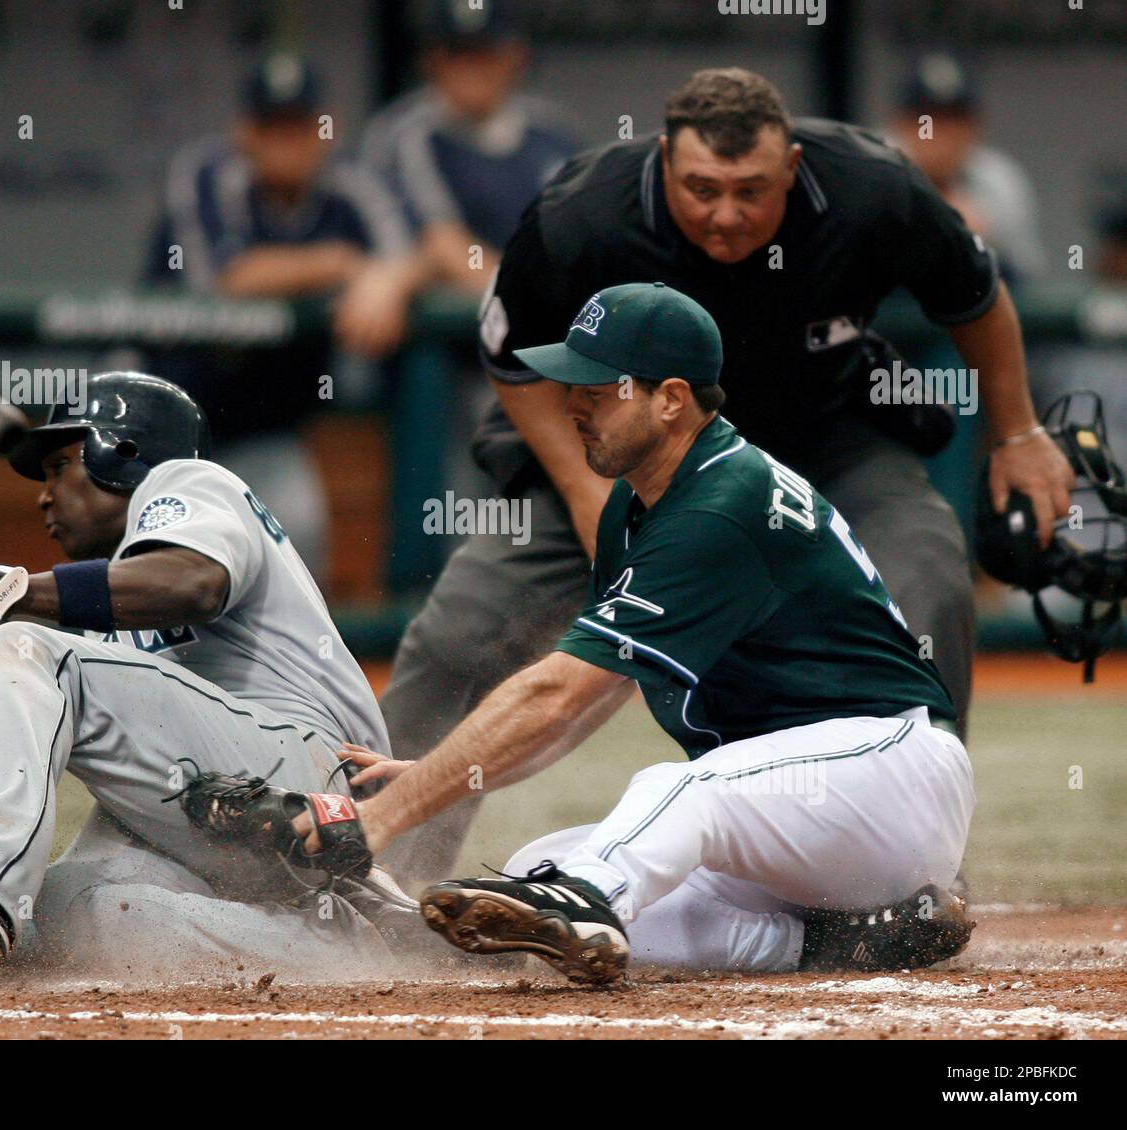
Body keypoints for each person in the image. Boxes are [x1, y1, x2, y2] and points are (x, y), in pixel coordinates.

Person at [377, 66, 1073, 882]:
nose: (726, 214)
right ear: (664, 161)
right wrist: (581, 487)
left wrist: (1021, 431)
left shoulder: (873, 187)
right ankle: (374, 869)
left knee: (930, 579)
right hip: (630, 455)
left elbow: (978, 302)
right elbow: (512, 360)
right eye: (702, 188)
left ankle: (917, 883)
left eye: (751, 190)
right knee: (462, 626)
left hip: (823, 443)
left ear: (794, 167)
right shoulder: (582, 211)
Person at [326, 284, 976, 983]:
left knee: (674, 794)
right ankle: (836, 944)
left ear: (670, 399)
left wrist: (388, 813)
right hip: (791, 811)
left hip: (884, 778)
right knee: (532, 867)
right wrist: (439, 772)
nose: (573, 404)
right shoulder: (642, 503)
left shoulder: (721, 505)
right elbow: (598, 693)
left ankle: (589, 901)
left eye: (600, 388)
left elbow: (558, 693)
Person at [0, 357, 413, 977]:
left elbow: (194, 584)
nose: (43, 494)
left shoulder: (192, 484)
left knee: (28, 647)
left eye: (61, 465)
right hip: (228, 811)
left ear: (124, 451)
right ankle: (343, 949)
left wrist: (7, 589)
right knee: (57, 923)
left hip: (305, 775)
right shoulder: (110, 602)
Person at [146, 52, 425, 580]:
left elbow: (411, 254)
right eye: (270, 126)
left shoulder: (351, 187)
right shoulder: (207, 173)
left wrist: (385, 279)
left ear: (326, 130)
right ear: (243, 131)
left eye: (298, 126)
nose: (285, 142)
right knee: (151, 566)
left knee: (297, 542)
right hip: (160, 415)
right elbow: (229, 280)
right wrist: (344, 263)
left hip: (260, 425)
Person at [360, 0, 578, 295]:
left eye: (485, 52)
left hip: (538, 313)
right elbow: (440, 243)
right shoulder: (407, 134)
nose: (471, 68)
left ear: (516, 56)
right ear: (430, 59)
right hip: (442, 325)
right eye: (457, 53)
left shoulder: (553, 132)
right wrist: (526, 296)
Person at [887, 53, 1048, 285]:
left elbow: (1024, 280)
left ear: (975, 126)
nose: (941, 134)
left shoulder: (999, 180)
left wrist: (984, 246)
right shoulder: (871, 170)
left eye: (955, 118)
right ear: (900, 123)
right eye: (928, 118)